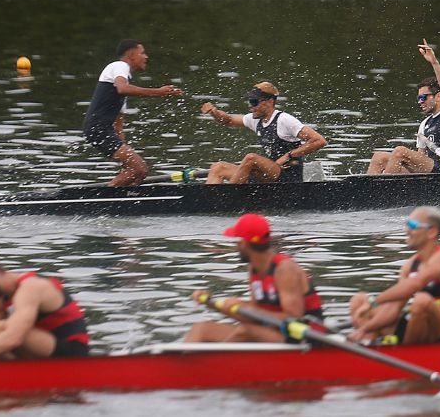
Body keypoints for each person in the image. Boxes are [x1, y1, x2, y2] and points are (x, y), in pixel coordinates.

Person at [185, 213, 325, 343]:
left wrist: (245, 307)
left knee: (245, 330)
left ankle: (212, 366)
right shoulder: (254, 269)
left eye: (237, 240)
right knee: (202, 329)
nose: (236, 245)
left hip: (305, 338)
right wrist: (212, 304)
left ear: (245, 243)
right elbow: (255, 318)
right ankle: (179, 364)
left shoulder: (284, 269)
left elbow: (294, 318)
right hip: (274, 333)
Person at [348, 207, 440, 344]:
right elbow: (394, 308)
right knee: (359, 301)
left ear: (432, 232)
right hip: (422, 328)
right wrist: (365, 328)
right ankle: (366, 347)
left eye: (413, 225)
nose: (407, 230)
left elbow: (416, 284)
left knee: (422, 301)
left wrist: (375, 301)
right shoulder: (410, 265)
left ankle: (408, 353)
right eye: (407, 224)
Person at [82, 39, 183, 186]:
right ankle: (103, 200)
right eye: (142, 53)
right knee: (139, 169)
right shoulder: (119, 66)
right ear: (131, 55)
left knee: (139, 172)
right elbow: (122, 88)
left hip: (102, 131)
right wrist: (158, 92)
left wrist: (125, 151)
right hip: (97, 129)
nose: (146, 57)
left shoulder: (120, 91)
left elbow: (118, 127)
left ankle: (125, 201)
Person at [367, 40, 440, 174]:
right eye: (418, 98)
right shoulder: (424, 124)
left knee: (400, 151)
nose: (420, 102)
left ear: (438, 96)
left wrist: (434, 62)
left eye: (423, 97)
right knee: (379, 157)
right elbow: (420, 157)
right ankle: (369, 191)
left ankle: (384, 191)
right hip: (431, 174)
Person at [0, 252, 90, 360]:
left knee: (2, 328)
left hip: (72, 353)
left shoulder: (30, 288)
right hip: (36, 349)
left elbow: (13, 339)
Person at [200, 82, 327, 184]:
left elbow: (319, 141)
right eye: (250, 102)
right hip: (267, 175)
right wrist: (213, 112)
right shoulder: (255, 119)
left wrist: (289, 155)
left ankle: (228, 197)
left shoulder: (284, 120)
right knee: (218, 167)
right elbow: (227, 120)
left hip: (287, 178)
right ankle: (210, 201)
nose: (250, 106)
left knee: (251, 158)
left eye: (254, 102)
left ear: (270, 101)